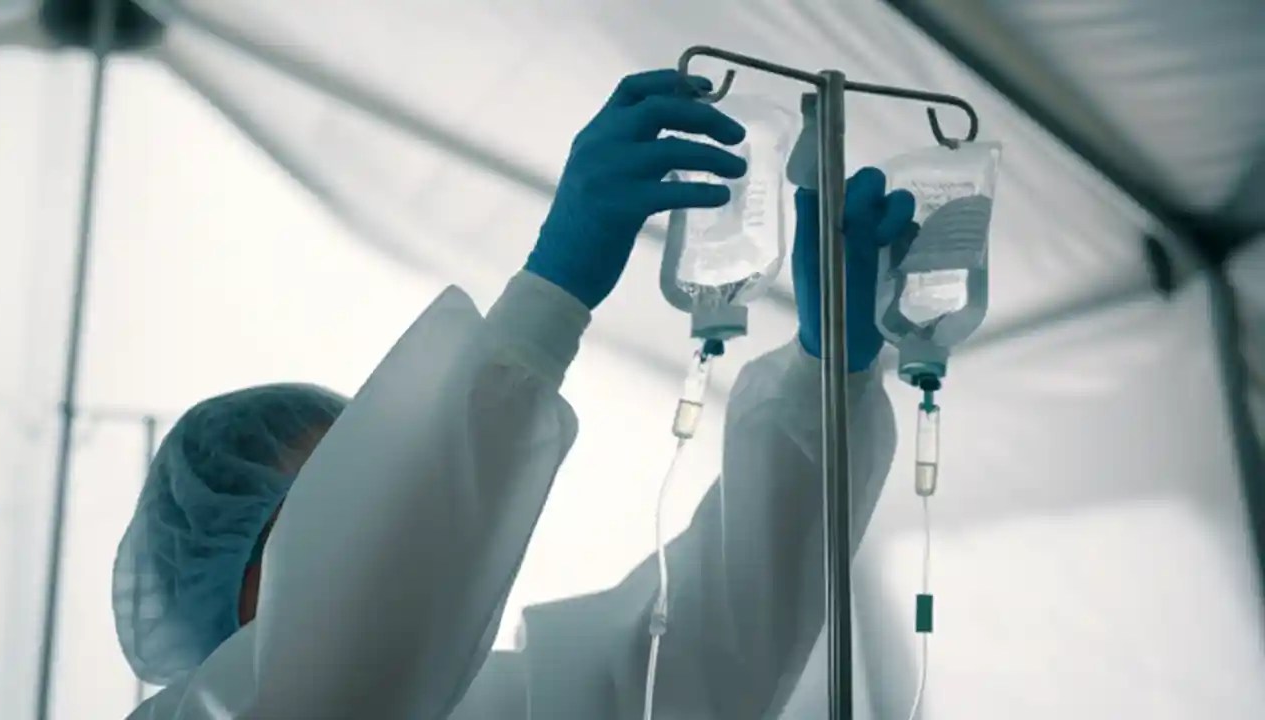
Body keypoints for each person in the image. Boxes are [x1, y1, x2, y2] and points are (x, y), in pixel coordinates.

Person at [114, 69, 913, 719]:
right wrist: (546, 304)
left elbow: (703, 661)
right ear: (223, 585)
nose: (366, 528)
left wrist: (825, 379)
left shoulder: (497, 704)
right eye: (316, 516)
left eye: (365, 492)